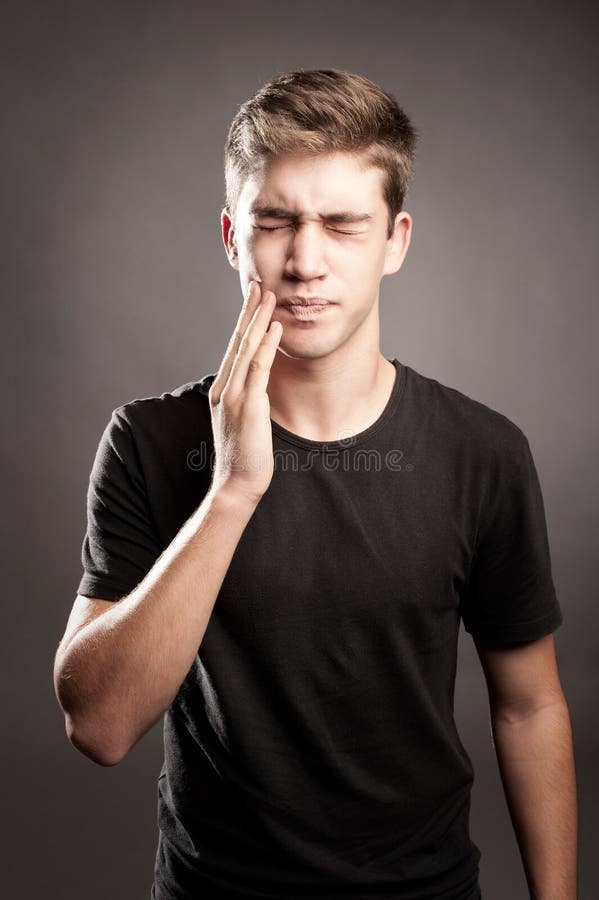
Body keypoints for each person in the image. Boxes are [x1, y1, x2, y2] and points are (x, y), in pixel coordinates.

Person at [53, 69, 577, 900]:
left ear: (394, 241)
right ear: (232, 235)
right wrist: (230, 490)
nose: (304, 261)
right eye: (275, 221)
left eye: (341, 225)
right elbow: (100, 727)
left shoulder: (483, 451)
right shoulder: (149, 442)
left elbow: (528, 707)